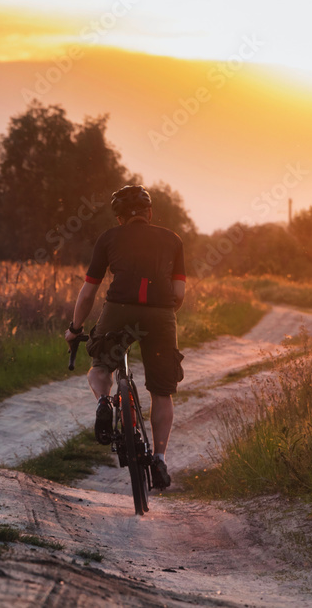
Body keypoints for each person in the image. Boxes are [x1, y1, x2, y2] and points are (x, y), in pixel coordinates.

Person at [64, 185, 186, 489]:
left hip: (118, 311)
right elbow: (179, 293)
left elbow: (89, 291)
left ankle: (105, 402)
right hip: (160, 314)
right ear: (149, 213)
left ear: (119, 218)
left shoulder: (108, 238)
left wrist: (75, 328)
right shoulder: (173, 240)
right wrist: (162, 313)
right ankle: (159, 459)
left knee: (100, 369)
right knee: (162, 391)